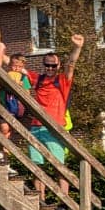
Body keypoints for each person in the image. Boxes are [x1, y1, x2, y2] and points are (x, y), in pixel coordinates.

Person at [27, 34, 84, 170]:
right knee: (36, 167)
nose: (50, 68)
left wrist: (77, 47)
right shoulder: (38, 79)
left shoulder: (62, 81)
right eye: (47, 65)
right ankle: (39, 193)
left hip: (54, 128)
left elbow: (71, 65)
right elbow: (15, 65)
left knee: (60, 167)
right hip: (36, 127)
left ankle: (64, 193)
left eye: (53, 65)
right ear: (44, 65)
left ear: (58, 66)